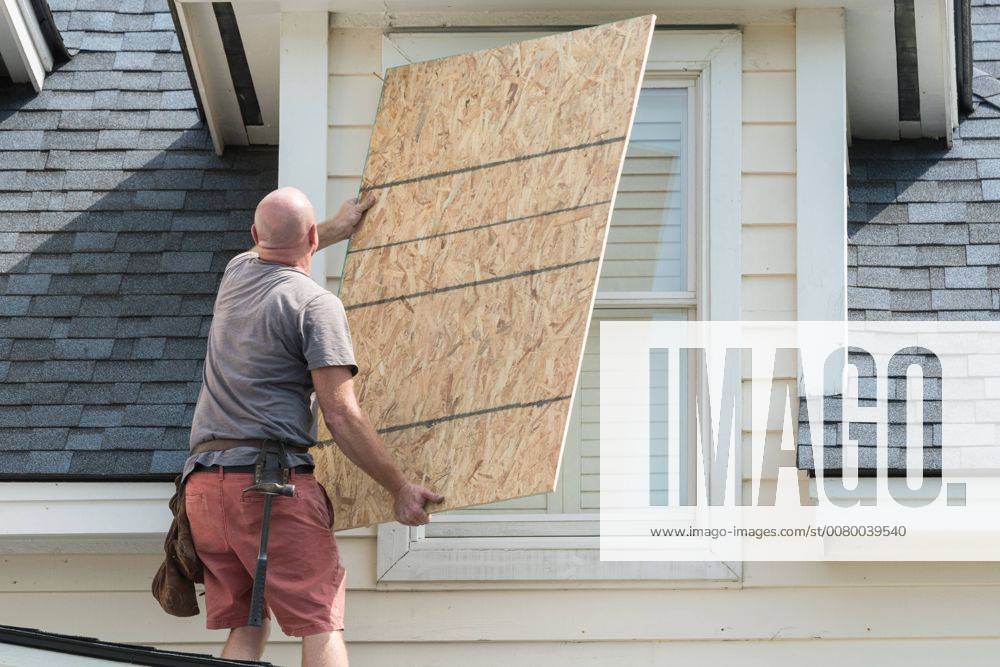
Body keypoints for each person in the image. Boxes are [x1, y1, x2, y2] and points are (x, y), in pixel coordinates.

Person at [183, 187, 443, 666]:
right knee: (321, 619)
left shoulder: (235, 273)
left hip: (204, 492)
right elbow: (341, 414)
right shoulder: (315, 306)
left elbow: (281, 245)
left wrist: (336, 228)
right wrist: (400, 486)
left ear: (255, 235)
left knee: (248, 622)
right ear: (311, 235)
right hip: (266, 492)